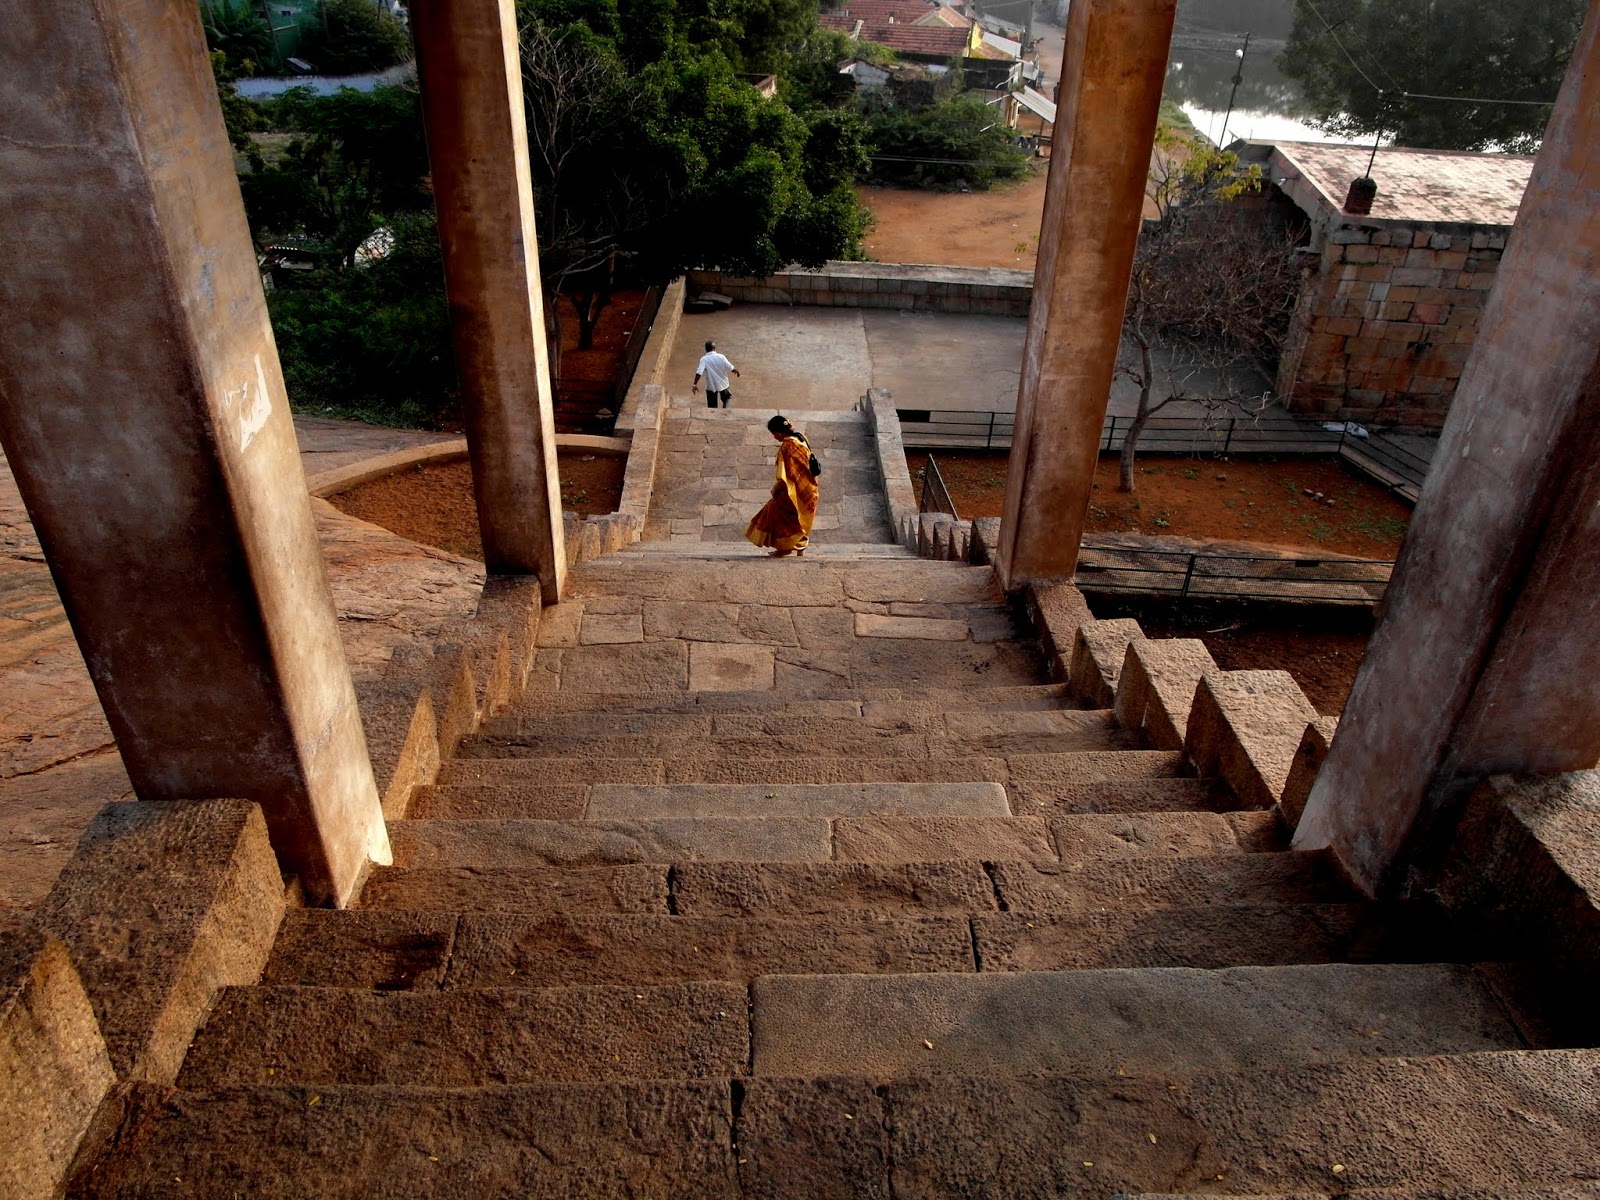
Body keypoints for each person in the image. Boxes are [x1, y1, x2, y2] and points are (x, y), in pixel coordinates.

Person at [745, 414, 818, 557]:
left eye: (773, 434)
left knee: (781, 515)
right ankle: (798, 547)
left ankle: (786, 548)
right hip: (809, 488)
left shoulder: (788, 446)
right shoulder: (801, 438)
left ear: (778, 432)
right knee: (797, 517)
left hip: (793, 489)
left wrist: (776, 487)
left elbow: (789, 474)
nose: (774, 437)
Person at [691, 340, 739, 409]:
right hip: (723, 384)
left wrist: (695, 384)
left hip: (711, 385)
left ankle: (713, 415)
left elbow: (699, 372)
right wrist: (735, 371)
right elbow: (730, 367)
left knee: (712, 406)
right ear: (715, 348)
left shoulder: (704, 359)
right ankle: (726, 410)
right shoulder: (721, 357)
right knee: (727, 399)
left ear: (706, 349)